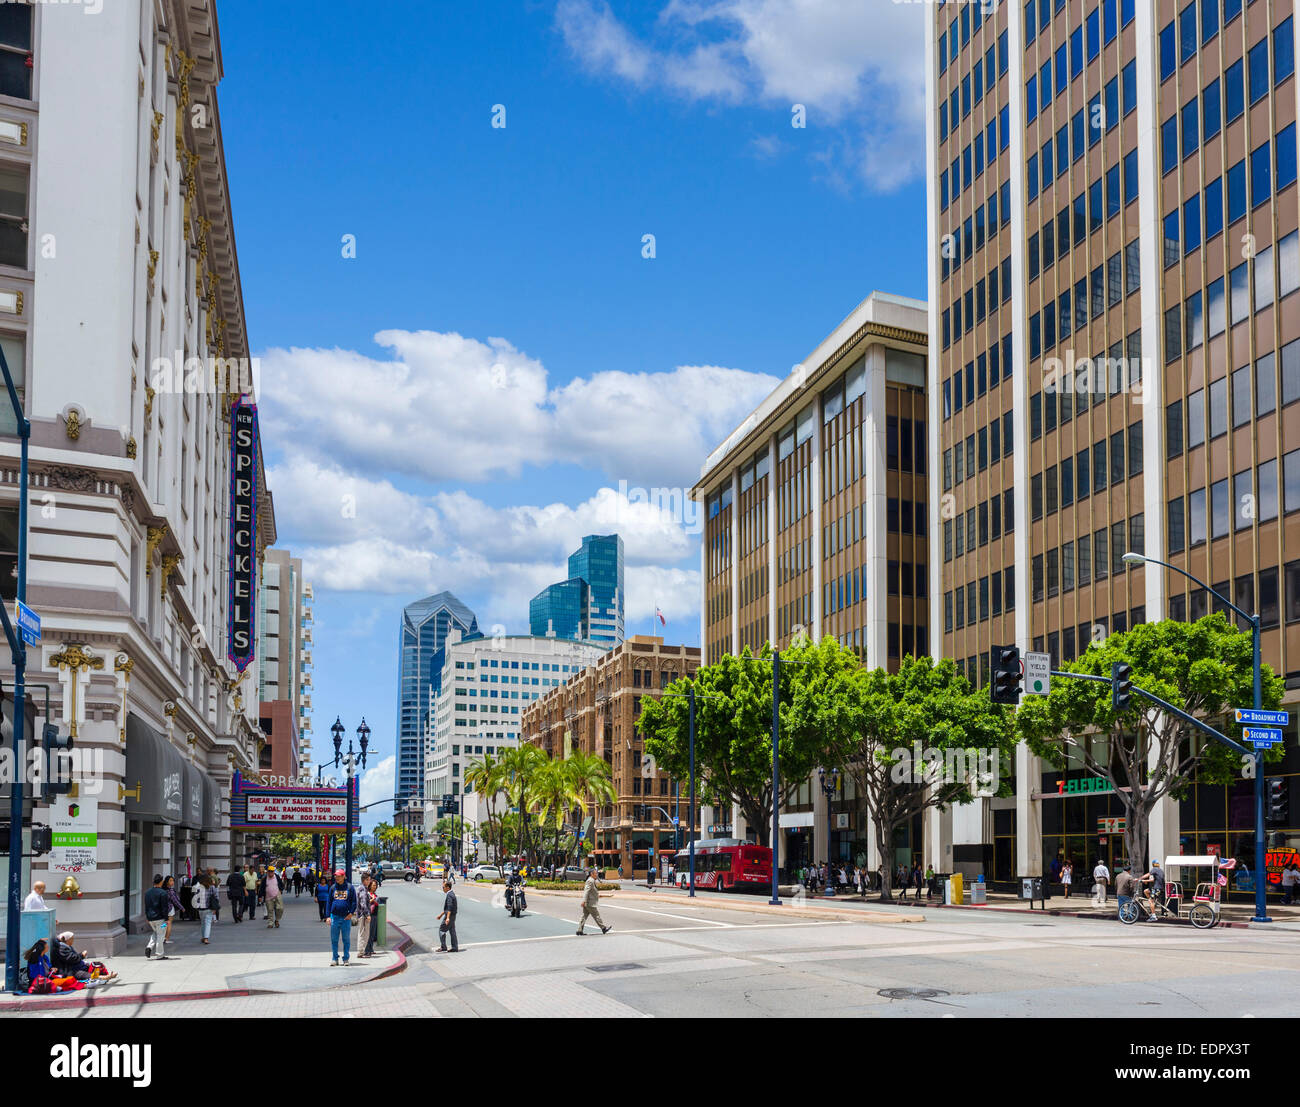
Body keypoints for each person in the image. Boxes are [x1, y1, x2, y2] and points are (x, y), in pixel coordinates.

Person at [327, 868, 357, 966]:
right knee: (334, 939)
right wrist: (327, 916)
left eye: (339, 876)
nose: (337, 878)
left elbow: (354, 902)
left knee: (346, 939)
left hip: (346, 918)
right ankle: (335, 958)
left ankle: (346, 959)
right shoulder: (332, 888)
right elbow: (329, 902)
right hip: (335, 917)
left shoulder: (349, 887)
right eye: (336, 876)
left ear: (344, 876)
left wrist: (351, 913)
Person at [576, 869, 611, 935]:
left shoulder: (592, 880)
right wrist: (584, 901)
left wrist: (598, 895)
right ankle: (603, 928)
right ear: (592, 874)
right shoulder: (590, 881)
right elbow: (586, 891)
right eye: (596, 873)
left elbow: (592, 891)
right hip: (590, 903)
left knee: (584, 916)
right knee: (596, 915)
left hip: (588, 902)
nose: (597, 875)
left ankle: (579, 930)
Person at [144, 874, 170, 959]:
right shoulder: (163, 893)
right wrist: (166, 919)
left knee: (156, 932)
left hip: (151, 919)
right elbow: (164, 908)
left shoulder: (147, 892)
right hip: (161, 920)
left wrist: (147, 917)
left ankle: (149, 947)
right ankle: (160, 954)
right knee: (161, 935)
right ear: (161, 882)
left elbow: (146, 906)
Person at [437, 879, 459, 952]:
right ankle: (455, 947)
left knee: (441, 930)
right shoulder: (451, 894)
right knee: (452, 931)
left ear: (448, 888)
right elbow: (447, 908)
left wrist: (447, 918)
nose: (443, 889)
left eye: (443, 887)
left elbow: (449, 907)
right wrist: (441, 915)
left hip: (450, 916)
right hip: (452, 915)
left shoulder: (449, 895)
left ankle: (443, 947)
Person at [193, 875, 216, 944]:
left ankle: (203, 937)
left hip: (200, 908)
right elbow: (215, 897)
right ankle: (206, 938)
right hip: (209, 907)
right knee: (208, 923)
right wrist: (215, 908)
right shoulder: (212, 887)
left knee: (203, 923)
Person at [162, 875, 182, 943]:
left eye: (173, 880)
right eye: (170, 880)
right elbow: (175, 901)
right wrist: (181, 908)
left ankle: (162, 937)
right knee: (169, 923)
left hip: (163, 909)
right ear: (166, 882)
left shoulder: (162, 889)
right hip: (170, 909)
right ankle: (166, 938)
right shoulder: (170, 891)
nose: (172, 882)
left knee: (164, 923)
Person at [355, 876, 372, 957]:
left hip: (361, 914)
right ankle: (361, 951)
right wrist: (367, 914)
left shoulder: (361, 888)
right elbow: (363, 903)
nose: (370, 881)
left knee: (362, 933)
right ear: (364, 880)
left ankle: (361, 951)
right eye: (368, 880)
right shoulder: (363, 889)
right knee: (364, 933)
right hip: (363, 915)